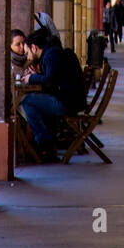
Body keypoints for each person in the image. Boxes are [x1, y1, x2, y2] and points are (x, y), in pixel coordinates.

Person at [19, 28, 87, 162]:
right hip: (71, 100)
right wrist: (37, 75)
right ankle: (45, 141)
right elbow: (52, 77)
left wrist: (31, 78)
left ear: (34, 47)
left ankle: (45, 142)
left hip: (67, 103)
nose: (27, 57)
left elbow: (50, 79)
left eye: (27, 52)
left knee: (26, 101)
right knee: (33, 103)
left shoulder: (51, 55)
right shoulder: (52, 53)